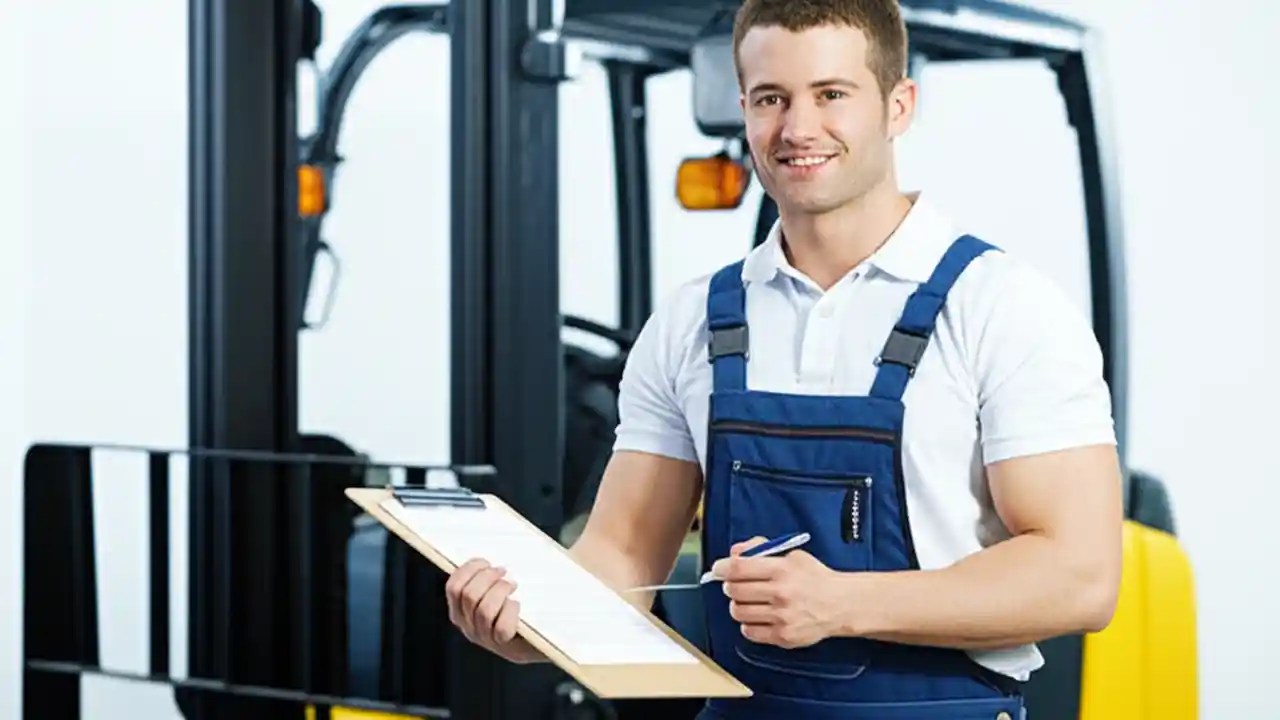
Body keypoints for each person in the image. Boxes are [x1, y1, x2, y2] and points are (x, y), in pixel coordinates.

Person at [444, 0, 1124, 717]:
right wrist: (533, 623)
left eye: (832, 94)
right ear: (744, 108)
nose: (797, 129)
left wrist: (843, 605)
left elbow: (1079, 577)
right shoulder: (692, 323)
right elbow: (621, 555)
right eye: (772, 99)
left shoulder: (1002, 309)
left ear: (898, 106)